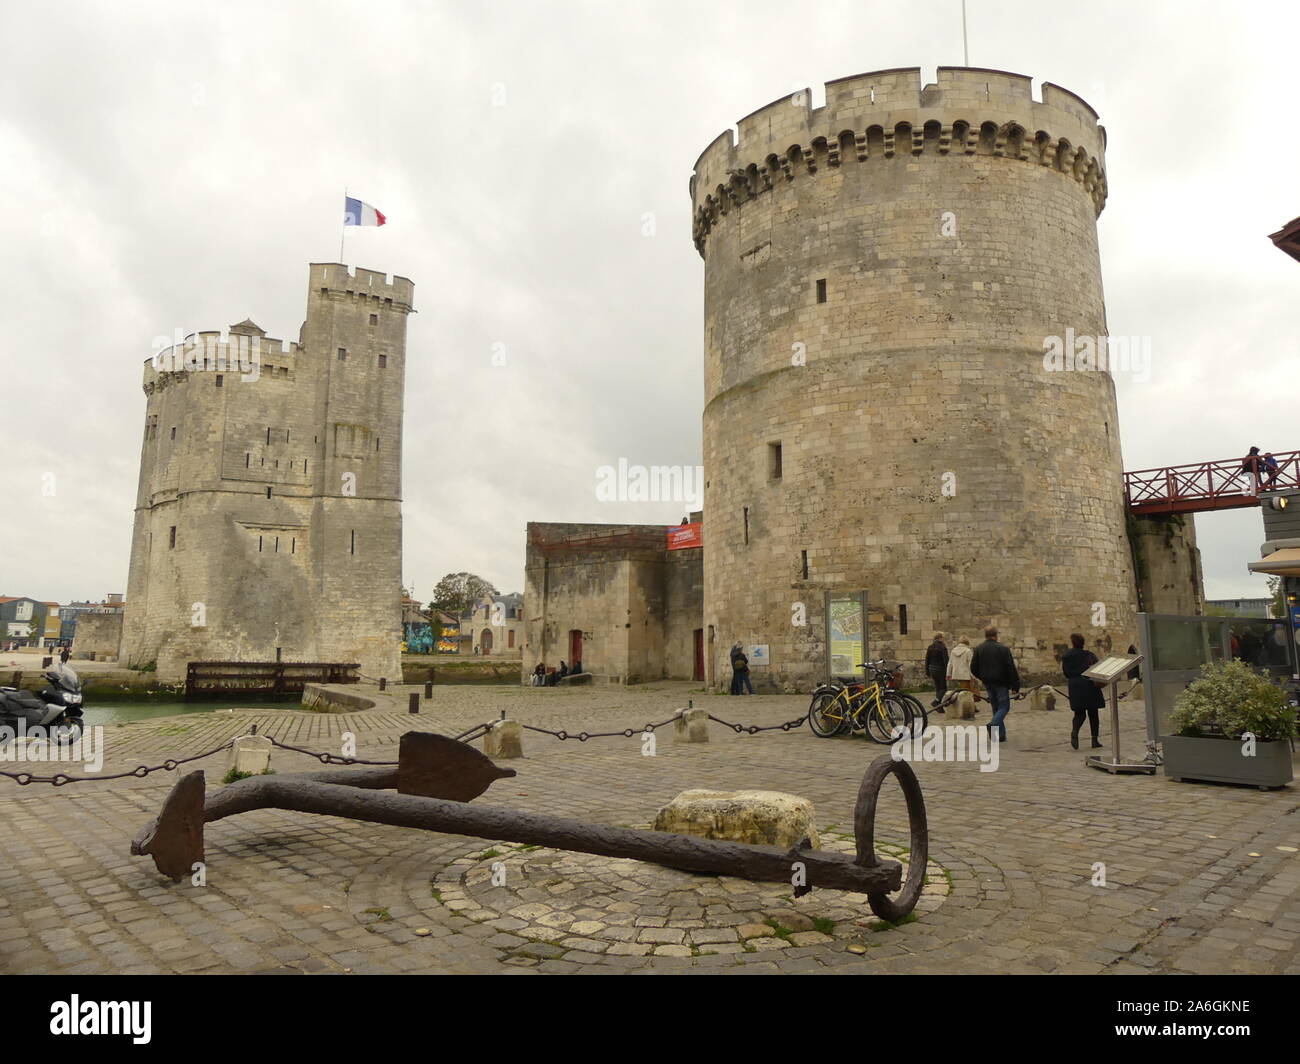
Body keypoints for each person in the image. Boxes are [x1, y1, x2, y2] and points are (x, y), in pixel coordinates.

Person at [971, 627, 1020, 742]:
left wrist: (982, 677)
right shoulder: (1003, 649)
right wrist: (1015, 686)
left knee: (996, 707)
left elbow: (973, 668)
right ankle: (993, 724)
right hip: (1001, 682)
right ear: (996, 635)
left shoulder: (979, 649)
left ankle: (999, 735)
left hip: (988, 682)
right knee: (1004, 707)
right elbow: (1010, 668)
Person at [1061, 633, 1105, 750]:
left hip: (1075, 685)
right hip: (1089, 685)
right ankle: (1094, 740)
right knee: (1093, 713)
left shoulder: (1066, 657)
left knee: (1079, 713)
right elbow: (1097, 668)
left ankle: (1075, 731)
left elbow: (1066, 673)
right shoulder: (1089, 655)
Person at [946, 635, 977, 711]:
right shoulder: (968, 651)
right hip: (965, 674)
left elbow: (950, 663)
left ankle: (973, 706)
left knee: (963, 691)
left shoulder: (953, 651)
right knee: (967, 692)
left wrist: (948, 674)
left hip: (956, 674)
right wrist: (973, 676)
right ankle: (968, 707)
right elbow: (970, 665)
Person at [924, 633, 949, 708]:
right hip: (940, 669)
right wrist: (948, 672)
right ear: (940, 638)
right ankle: (936, 701)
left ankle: (939, 706)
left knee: (938, 688)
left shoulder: (930, 647)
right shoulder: (942, 647)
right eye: (943, 638)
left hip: (932, 669)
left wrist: (927, 671)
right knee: (943, 688)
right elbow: (946, 660)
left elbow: (927, 660)